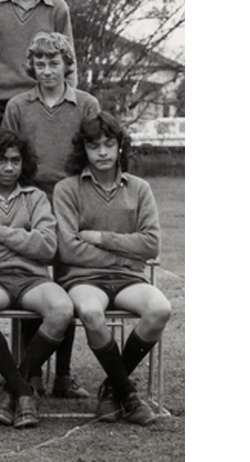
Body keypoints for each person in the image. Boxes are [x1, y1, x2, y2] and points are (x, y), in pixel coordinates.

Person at [54, 112, 171, 426]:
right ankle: (128, 393)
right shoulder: (66, 189)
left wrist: (103, 238)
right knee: (91, 313)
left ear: (121, 146)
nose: (102, 152)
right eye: (94, 146)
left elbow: (151, 245)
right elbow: (68, 249)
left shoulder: (140, 188)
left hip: (129, 279)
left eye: (109, 144)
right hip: (82, 279)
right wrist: (125, 254)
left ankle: (111, 388)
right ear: (85, 149)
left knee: (160, 308)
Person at [2, 31, 101, 399]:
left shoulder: (86, 104)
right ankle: (32, 374)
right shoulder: (18, 106)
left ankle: (62, 375)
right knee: (33, 285)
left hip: (73, 202)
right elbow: (8, 156)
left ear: (67, 65)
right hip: (30, 202)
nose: (46, 70)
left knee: (67, 286)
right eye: (40, 63)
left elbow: (94, 152)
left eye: (53, 63)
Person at [0, 128, 73, 429]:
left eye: (15, 160)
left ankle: (12, 388)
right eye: (1, 161)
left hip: (32, 278)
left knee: (62, 309)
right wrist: (23, 244)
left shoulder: (35, 197)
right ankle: (23, 391)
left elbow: (47, 246)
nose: (9, 168)